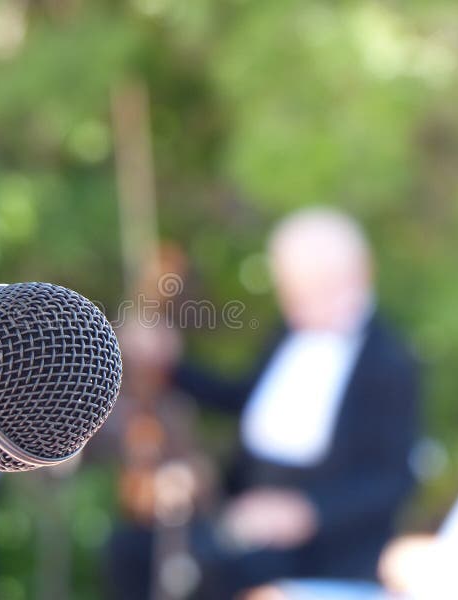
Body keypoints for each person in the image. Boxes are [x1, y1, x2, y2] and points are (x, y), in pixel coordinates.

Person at [124, 207, 420, 598]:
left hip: (322, 543)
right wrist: (171, 368)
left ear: (360, 273)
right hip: (242, 508)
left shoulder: (389, 361)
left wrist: (306, 512)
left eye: (316, 290)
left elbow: (391, 479)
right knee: (132, 549)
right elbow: (244, 399)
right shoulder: (287, 334)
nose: (301, 305)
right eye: (293, 292)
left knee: (214, 573)